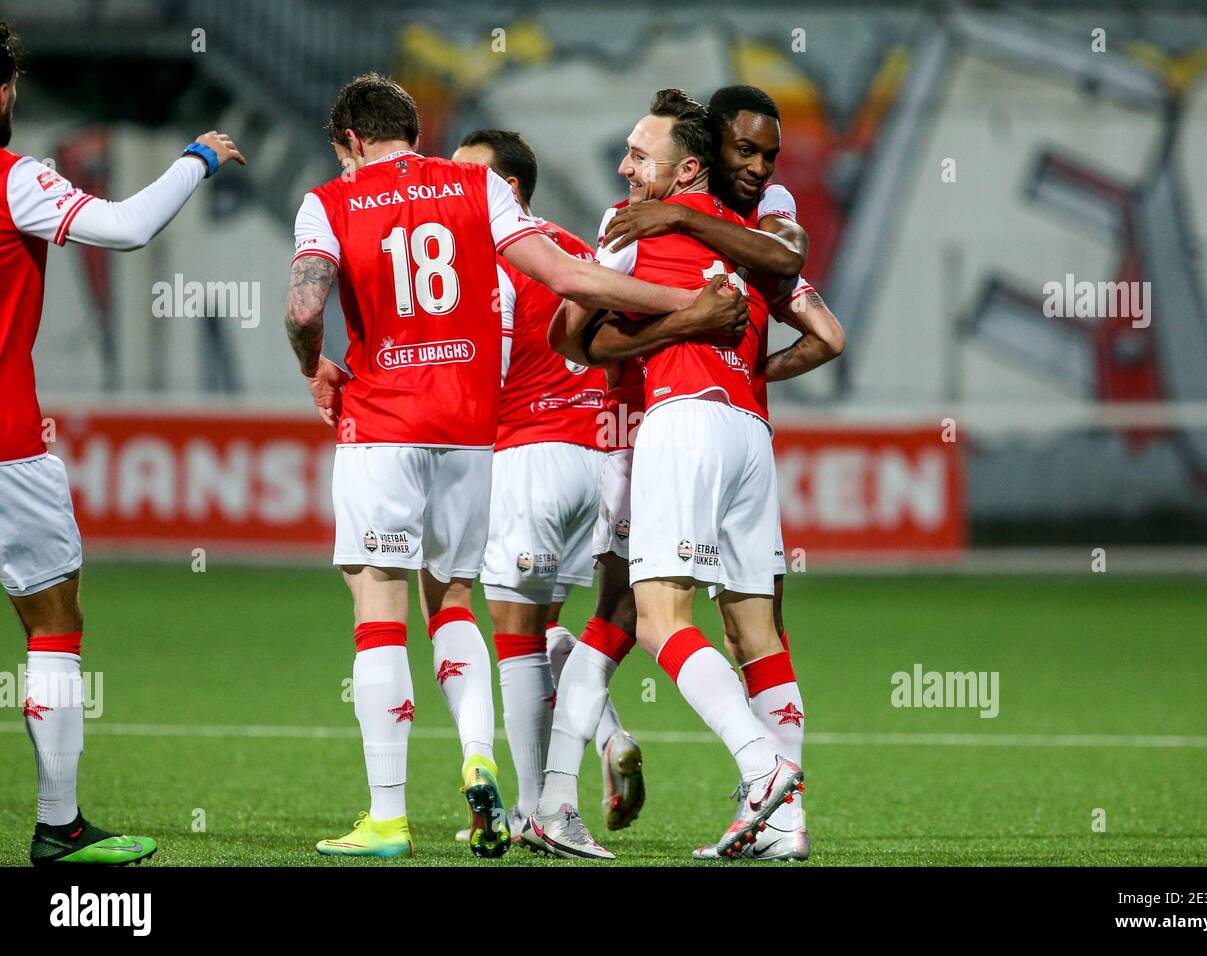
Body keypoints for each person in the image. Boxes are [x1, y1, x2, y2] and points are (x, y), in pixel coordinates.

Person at [285, 73, 707, 860]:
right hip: (477, 436)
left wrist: (315, 366)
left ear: (349, 141)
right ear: (414, 129)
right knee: (457, 604)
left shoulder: (330, 200)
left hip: (388, 426)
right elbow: (570, 278)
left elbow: (305, 308)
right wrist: (681, 306)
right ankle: (483, 757)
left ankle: (389, 818)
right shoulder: (478, 187)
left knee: (381, 613)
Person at [523, 89, 805, 860]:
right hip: (743, 427)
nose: (623, 166)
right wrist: (717, 333)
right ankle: (783, 825)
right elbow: (818, 313)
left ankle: (760, 768)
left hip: (658, 435)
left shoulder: (632, 228)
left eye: (637, 155)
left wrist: (670, 309)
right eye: (745, 152)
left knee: (639, 621)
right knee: (740, 628)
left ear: (685, 167)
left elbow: (569, 330)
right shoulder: (750, 227)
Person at [0, 19, 246, 866]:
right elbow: (127, 225)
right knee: (53, 619)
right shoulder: (14, 180)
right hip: (4, 450)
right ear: (2, 94)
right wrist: (199, 157)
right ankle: (59, 825)